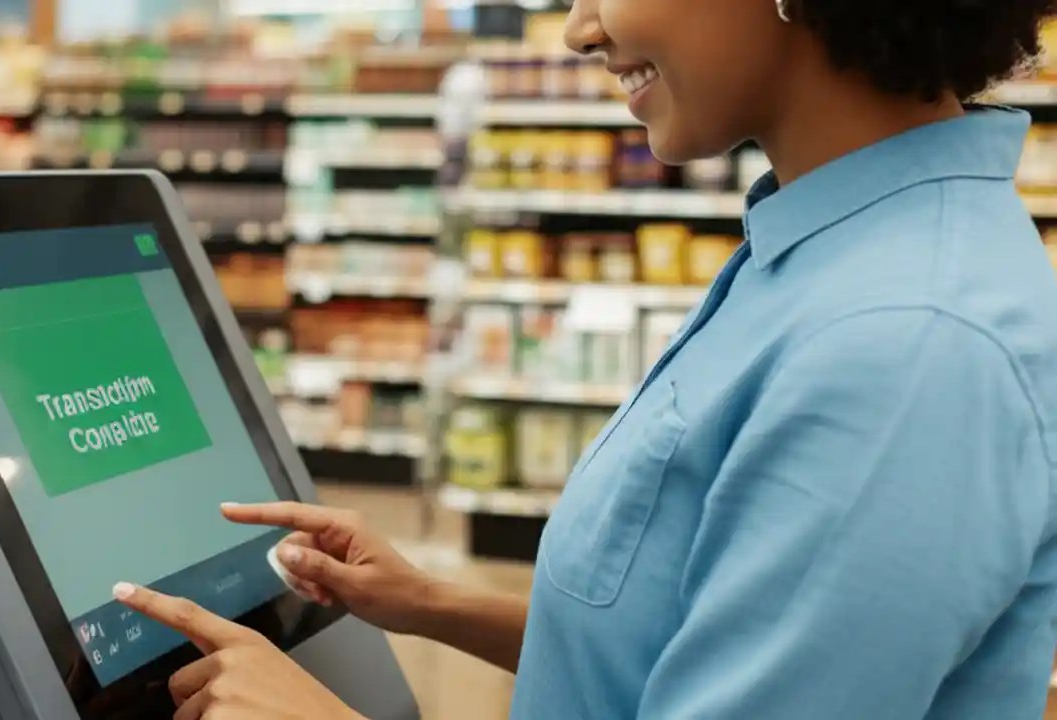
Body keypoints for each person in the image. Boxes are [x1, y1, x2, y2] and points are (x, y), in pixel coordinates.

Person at [116, 0, 1057, 717]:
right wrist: (431, 602)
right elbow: (688, 640)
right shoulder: (831, 251)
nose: (577, 29)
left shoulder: (907, 345)